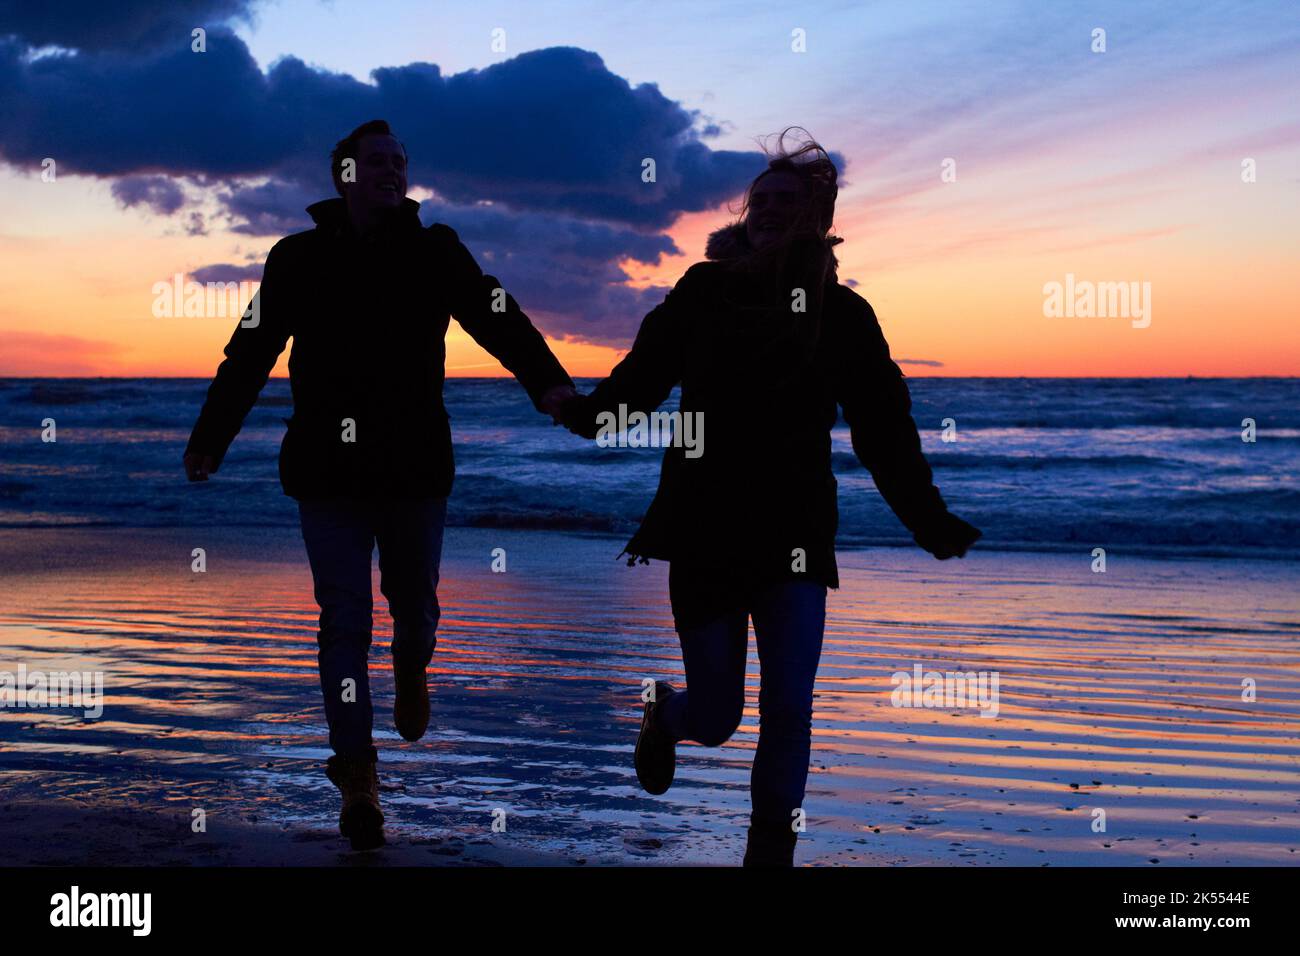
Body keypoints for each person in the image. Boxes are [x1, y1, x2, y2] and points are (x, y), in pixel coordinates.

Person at [558, 129, 981, 867]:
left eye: (789, 201)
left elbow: (884, 428)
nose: (771, 211)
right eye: (762, 200)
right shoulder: (703, 290)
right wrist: (582, 412)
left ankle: (768, 857)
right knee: (719, 716)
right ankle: (664, 713)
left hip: (796, 528)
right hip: (703, 523)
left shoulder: (845, 315)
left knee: (788, 709)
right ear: (744, 213)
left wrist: (928, 518)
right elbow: (641, 381)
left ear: (821, 216)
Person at [183, 119, 576, 850]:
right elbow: (252, 346)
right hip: (326, 473)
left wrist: (548, 385)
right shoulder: (296, 258)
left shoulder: (435, 251)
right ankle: (357, 773)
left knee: (415, 606)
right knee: (342, 623)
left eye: (401, 161)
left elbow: (498, 316)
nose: (394, 170)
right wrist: (212, 436)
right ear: (345, 174)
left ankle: (411, 664)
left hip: (414, 467)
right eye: (379, 161)